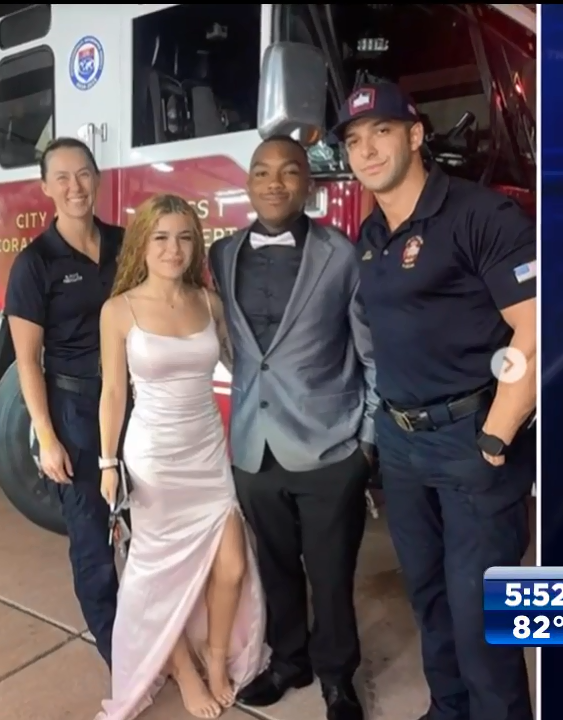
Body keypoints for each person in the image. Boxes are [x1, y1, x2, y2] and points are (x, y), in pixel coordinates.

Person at [334, 82, 537, 720]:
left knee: (481, 614)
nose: (367, 149)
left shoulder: (482, 215)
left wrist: (497, 437)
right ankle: (448, 710)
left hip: (473, 435)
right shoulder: (369, 235)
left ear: (416, 135)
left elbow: (537, 325)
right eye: (354, 140)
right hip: (402, 443)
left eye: (382, 132)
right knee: (428, 598)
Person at [208, 135, 378, 720]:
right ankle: (289, 660)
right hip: (254, 447)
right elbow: (238, 347)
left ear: (309, 183)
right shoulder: (222, 255)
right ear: (249, 183)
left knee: (331, 573)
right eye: (262, 172)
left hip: (332, 447)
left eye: (288, 172)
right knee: (274, 564)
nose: (274, 182)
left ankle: (337, 677)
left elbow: (370, 353)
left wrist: (368, 443)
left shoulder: (341, 254)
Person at [96, 194, 269, 720]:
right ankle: (185, 672)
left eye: (185, 237)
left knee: (234, 566)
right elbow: (112, 394)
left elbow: (248, 369)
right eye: (161, 238)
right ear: (142, 244)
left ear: (196, 246)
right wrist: (108, 465)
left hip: (207, 454)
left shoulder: (209, 303)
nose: (173, 249)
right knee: (158, 575)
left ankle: (217, 661)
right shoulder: (119, 309)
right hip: (154, 461)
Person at [4, 137, 126, 667]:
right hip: (75, 411)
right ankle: (121, 656)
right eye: (62, 177)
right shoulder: (35, 264)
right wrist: (47, 437)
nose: (75, 186)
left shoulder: (127, 243)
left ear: (98, 177)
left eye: (83, 174)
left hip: (134, 406)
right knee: (93, 543)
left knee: (149, 530)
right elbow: (28, 361)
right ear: (46, 188)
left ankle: (158, 632)